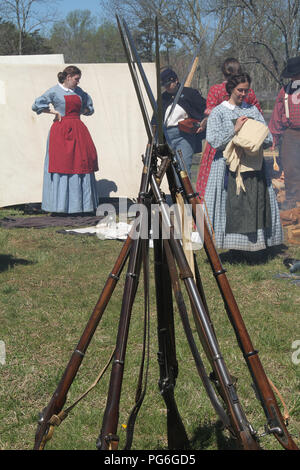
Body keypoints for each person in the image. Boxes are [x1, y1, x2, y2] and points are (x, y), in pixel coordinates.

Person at [203, 73, 283, 252]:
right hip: (227, 166)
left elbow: (268, 138)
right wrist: (235, 129)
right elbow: (214, 141)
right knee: (231, 204)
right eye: (240, 90)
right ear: (231, 88)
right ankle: (231, 247)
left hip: (252, 166)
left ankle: (254, 246)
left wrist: (255, 137)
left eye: (246, 91)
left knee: (252, 203)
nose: (243, 94)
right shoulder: (219, 112)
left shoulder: (252, 110)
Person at [32, 65, 99, 215]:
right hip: (61, 131)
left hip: (78, 130)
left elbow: (89, 108)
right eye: (76, 79)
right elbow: (36, 105)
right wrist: (53, 111)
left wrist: (84, 110)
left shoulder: (79, 92)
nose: (78, 82)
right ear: (68, 77)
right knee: (62, 165)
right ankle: (60, 207)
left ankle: (81, 206)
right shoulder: (54, 91)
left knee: (81, 163)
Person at [196, 58, 262, 202]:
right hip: (244, 142)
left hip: (222, 143)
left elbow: (210, 111)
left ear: (224, 73)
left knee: (217, 182)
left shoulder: (216, 89)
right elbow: (257, 111)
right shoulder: (248, 91)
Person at [160, 68, 206, 178]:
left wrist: (203, 122)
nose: (167, 87)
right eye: (165, 85)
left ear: (176, 80)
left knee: (183, 170)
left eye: (169, 84)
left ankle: (185, 195)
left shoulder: (190, 93)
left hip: (184, 135)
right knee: (170, 171)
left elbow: (206, 109)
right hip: (166, 136)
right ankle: (176, 195)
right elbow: (156, 119)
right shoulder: (162, 98)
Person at [269, 56, 300, 210]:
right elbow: (276, 115)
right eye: (293, 75)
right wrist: (273, 138)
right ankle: (293, 204)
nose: (295, 78)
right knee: (291, 169)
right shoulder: (285, 91)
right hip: (290, 134)